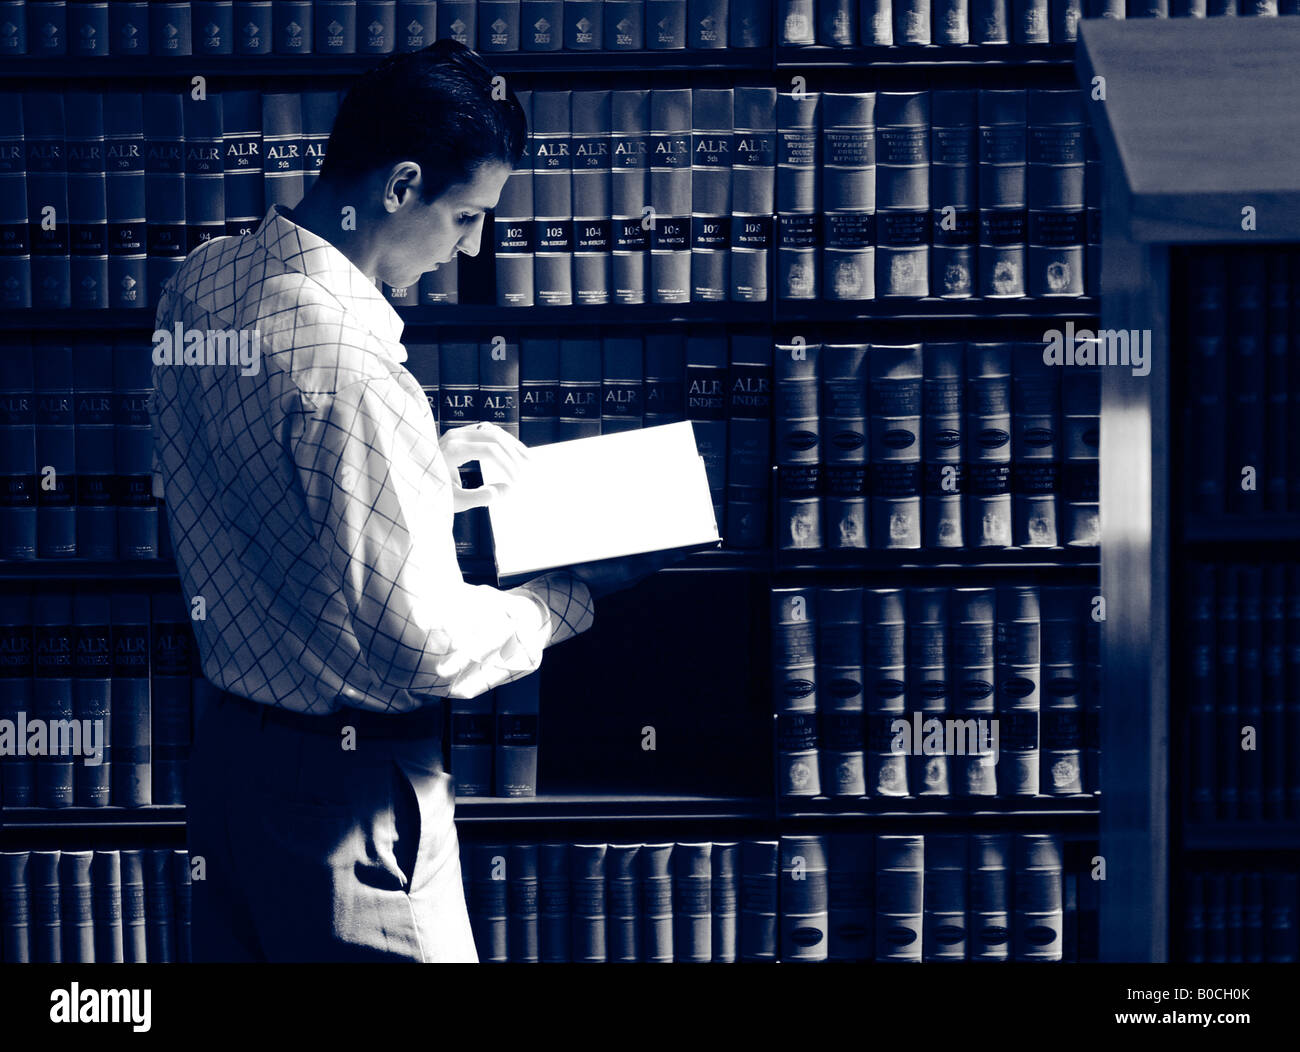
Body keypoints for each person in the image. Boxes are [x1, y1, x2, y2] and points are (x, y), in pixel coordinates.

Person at [150, 39, 668, 962]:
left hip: (228, 772)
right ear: (399, 187)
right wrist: (572, 600)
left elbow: (249, 483)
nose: (471, 248)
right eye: (466, 216)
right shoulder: (355, 373)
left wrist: (419, 467)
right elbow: (421, 646)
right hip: (347, 797)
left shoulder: (203, 281)